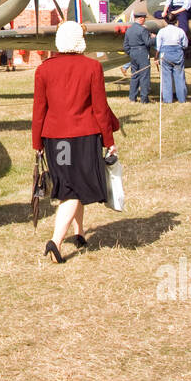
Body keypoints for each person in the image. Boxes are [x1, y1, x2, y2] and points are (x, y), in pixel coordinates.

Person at [32, 21, 120, 263]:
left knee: (70, 183)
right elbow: (100, 108)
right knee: (73, 188)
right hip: (83, 137)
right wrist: (109, 139)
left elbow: (39, 109)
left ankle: (79, 232)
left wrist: (37, 143)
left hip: (56, 139)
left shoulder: (44, 69)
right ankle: (55, 242)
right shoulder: (92, 67)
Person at [155, 21, 189, 103]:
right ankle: (182, 99)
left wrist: (156, 57)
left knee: (166, 78)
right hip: (177, 53)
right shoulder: (180, 31)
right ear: (176, 22)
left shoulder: (162, 31)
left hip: (165, 54)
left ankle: (167, 100)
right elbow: (185, 44)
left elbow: (158, 46)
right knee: (180, 77)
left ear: (166, 21)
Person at [122, 13, 153, 103]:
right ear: (141, 19)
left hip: (133, 52)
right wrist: (154, 38)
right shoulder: (143, 30)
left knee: (134, 76)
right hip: (142, 52)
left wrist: (131, 53)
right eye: (144, 18)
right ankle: (144, 99)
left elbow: (125, 45)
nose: (145, 20)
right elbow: (148, 42)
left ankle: (132, 97)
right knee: (144, 76)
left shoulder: (129, 29)